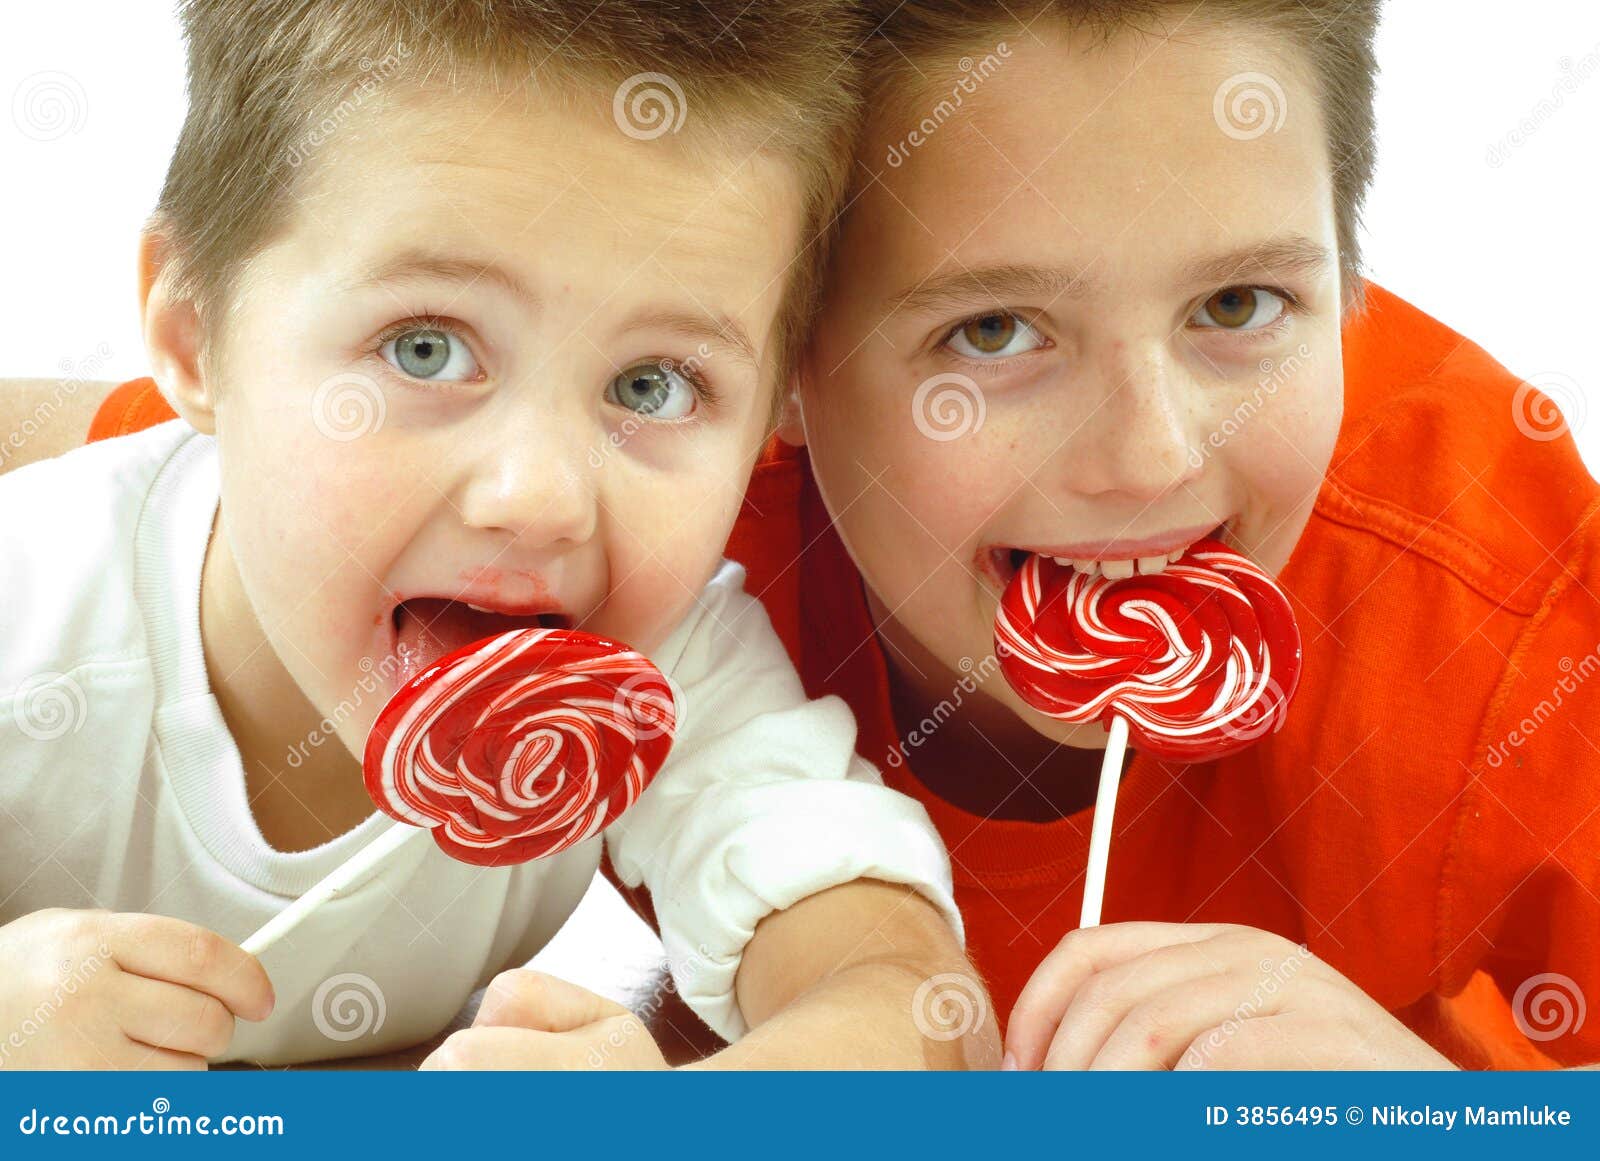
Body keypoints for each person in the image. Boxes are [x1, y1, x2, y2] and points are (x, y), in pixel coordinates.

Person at [0, 0, 995, 1070]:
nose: (541, 497)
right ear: (194, 338)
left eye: (650, 385)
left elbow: (910, 1006)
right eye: (424, 348)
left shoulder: (662, 672)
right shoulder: (34, 618)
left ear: (765, 425)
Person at [726, 0, 1600, 1069]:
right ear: (775, 364)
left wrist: (1425, 1111)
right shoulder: (669, 559)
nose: (1154, 459)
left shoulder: (1487, 584)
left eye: (1236, 305)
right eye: (992, 332)